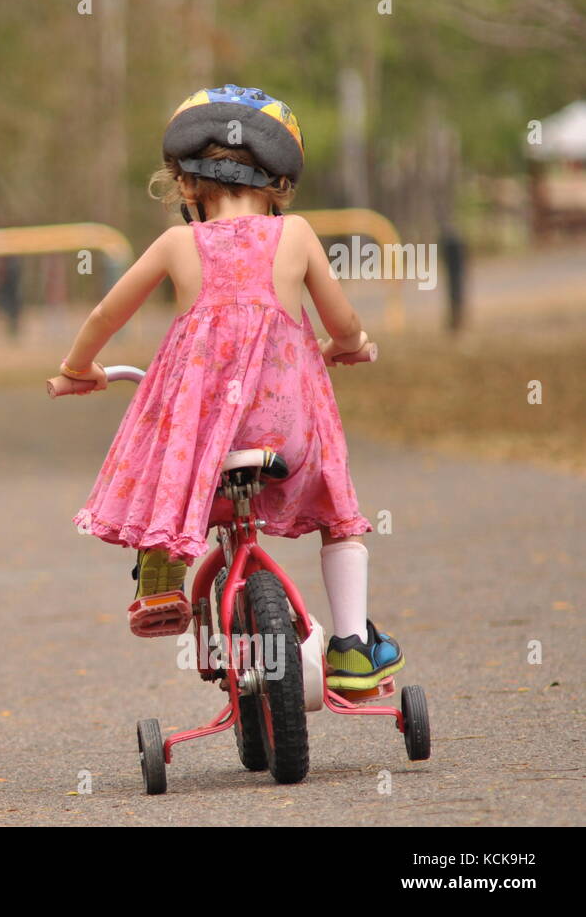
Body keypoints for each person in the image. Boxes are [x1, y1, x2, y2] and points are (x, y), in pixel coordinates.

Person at [58, 84, 402, 690]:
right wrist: (349, 347)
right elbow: (343, 323)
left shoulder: (177, 243)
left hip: (205, 449)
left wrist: (78, 369)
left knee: (168, 466)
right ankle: (350, 646)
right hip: (285, 440)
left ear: (187, 187)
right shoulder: (294, 235)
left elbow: (105, 317)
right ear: (277, 186)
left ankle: (161, 564)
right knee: (339, 520)